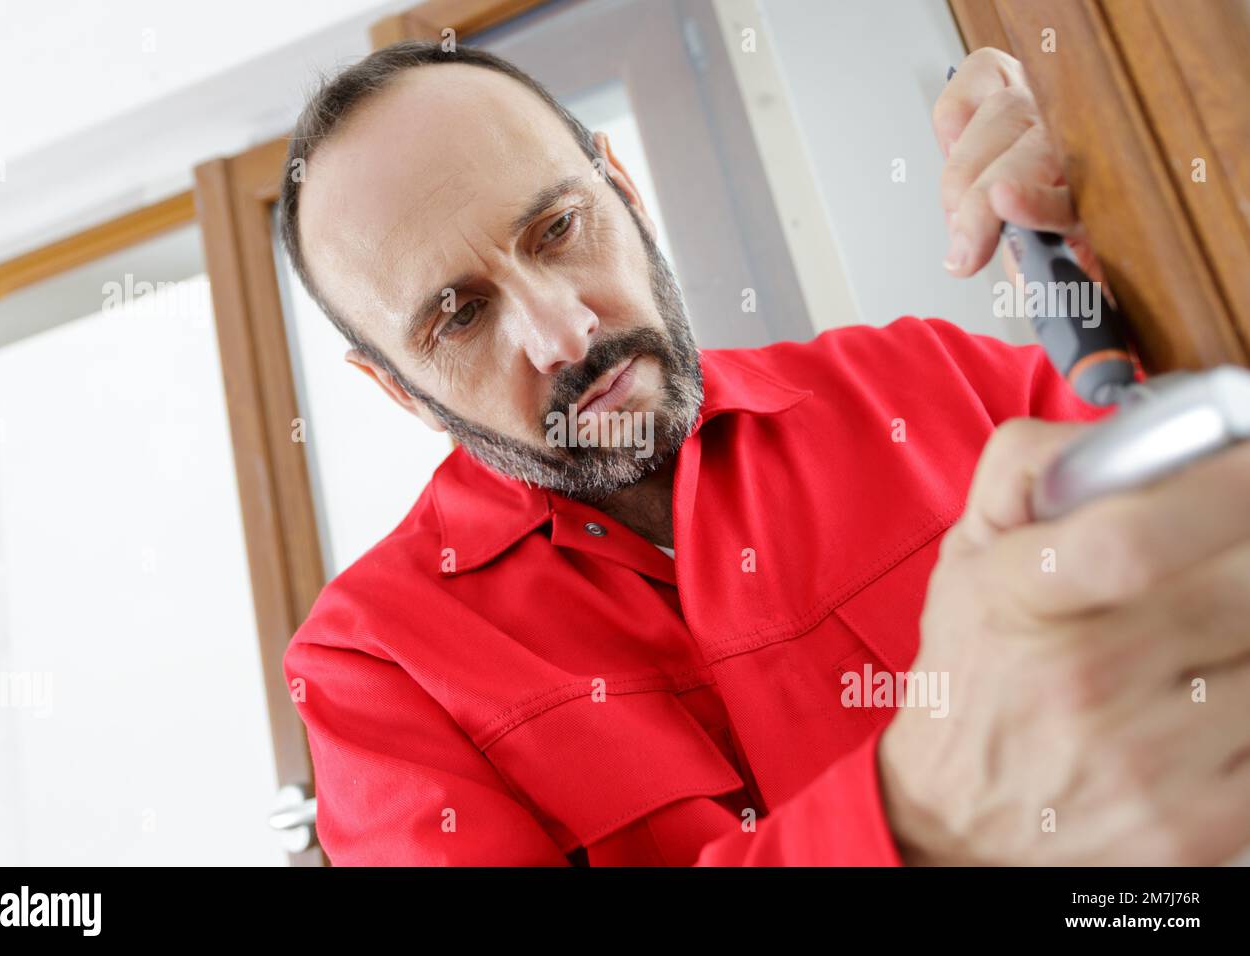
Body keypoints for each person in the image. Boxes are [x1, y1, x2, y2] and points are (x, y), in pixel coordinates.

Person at [276, 42, 1250, 865]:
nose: (562, 331)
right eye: (460, 316)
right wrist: (912, 809)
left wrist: (1132, 212)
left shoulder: (930, 380)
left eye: (559, 229)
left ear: (624, 192)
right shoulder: (374, 665)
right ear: (400, 390)